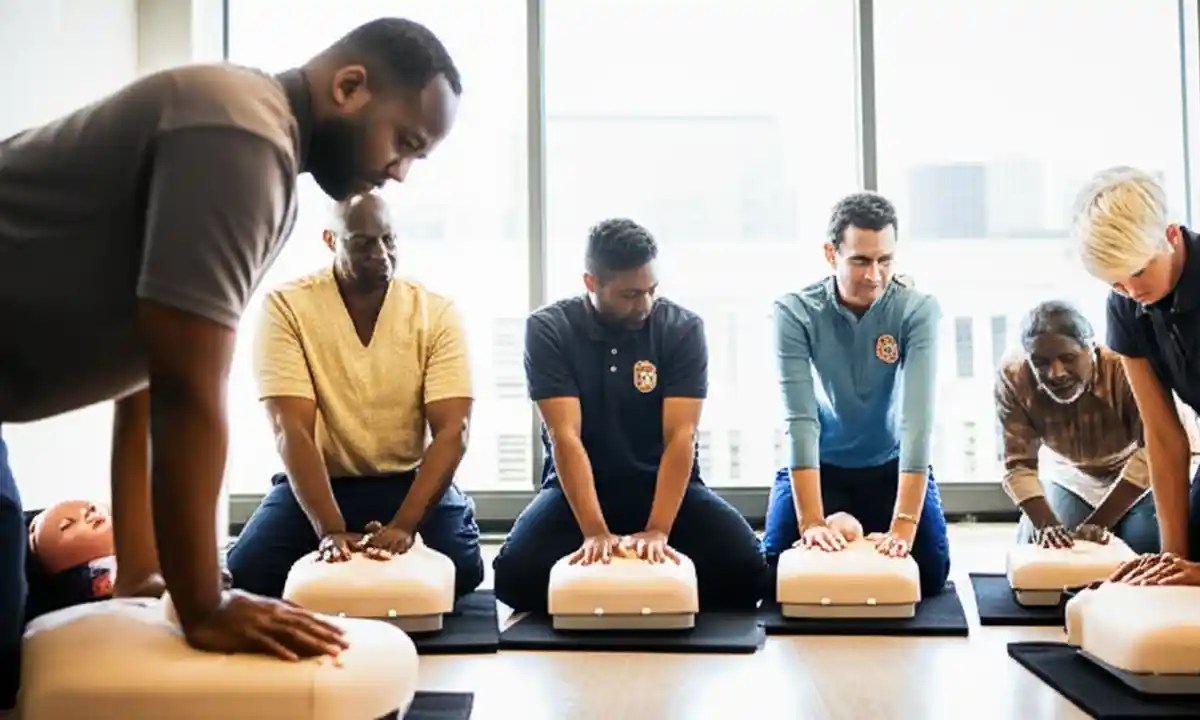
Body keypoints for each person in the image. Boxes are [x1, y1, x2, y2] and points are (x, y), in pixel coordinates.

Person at [0, 16, 461, 707]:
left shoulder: (252, 144)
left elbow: (149, 375)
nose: (400, 170)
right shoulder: (240, 140)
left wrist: (145, 574)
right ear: (350, 86)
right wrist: (204, 603)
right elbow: (189, 386)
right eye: (405, 142)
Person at [491, 218, 766, 613]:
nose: (645, 305)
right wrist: (595, 534)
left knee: (749, 571)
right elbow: (564, 437)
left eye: (652, 290)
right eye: (630, 294)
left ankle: (651, 593)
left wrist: (658, 530)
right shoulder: (548, 329)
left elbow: (681, 437)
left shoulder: (683, 328)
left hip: (668, 487)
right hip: (575, 493)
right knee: (514, 578)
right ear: (591, 283)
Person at [227, 192, 483, 599]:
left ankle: (448, 509)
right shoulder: (287, 307)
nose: (381, 254)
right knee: (250, 572)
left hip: (407, 480)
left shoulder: (435, 311)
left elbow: (454, 429)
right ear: (331, 240)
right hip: (324, 480)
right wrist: (329, 530)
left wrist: (404, 526)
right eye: (363, 243)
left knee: (464, 572)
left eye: (389, 240)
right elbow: (290, 429)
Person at [1072, 165, 1200, 606]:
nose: (1130, 290)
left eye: (1139, 272)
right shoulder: (1126, 305)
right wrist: (1173, 559)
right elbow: (1164, 439)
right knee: (1188, 574)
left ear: (1169, 235)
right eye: (1116, 282)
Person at [763, 193, 951, 597]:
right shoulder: (794, 312)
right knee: (777, 569)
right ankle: (839, 519)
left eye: (885, 260)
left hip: (889, 465)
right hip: (823, 464)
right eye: (861, 261)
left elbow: (916, 423)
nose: (875, 276)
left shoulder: (917, 311)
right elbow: (801, 422)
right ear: (831, 254)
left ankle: (850, 523)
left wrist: (903, 526)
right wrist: (812, 521)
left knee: (930, 574)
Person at [996, 300, 1159, 553]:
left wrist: (1099, 522)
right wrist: (1046, 524)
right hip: (1073, 475)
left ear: (1091, 349)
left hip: (1137, 471)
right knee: (1049, 549)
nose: (1056, 373)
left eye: (1068, 358)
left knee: (1146, 545)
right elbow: (1016, 463)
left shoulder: (1123, 365)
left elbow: (1157, 450)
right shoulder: (1014, 375)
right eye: (1040, 362)